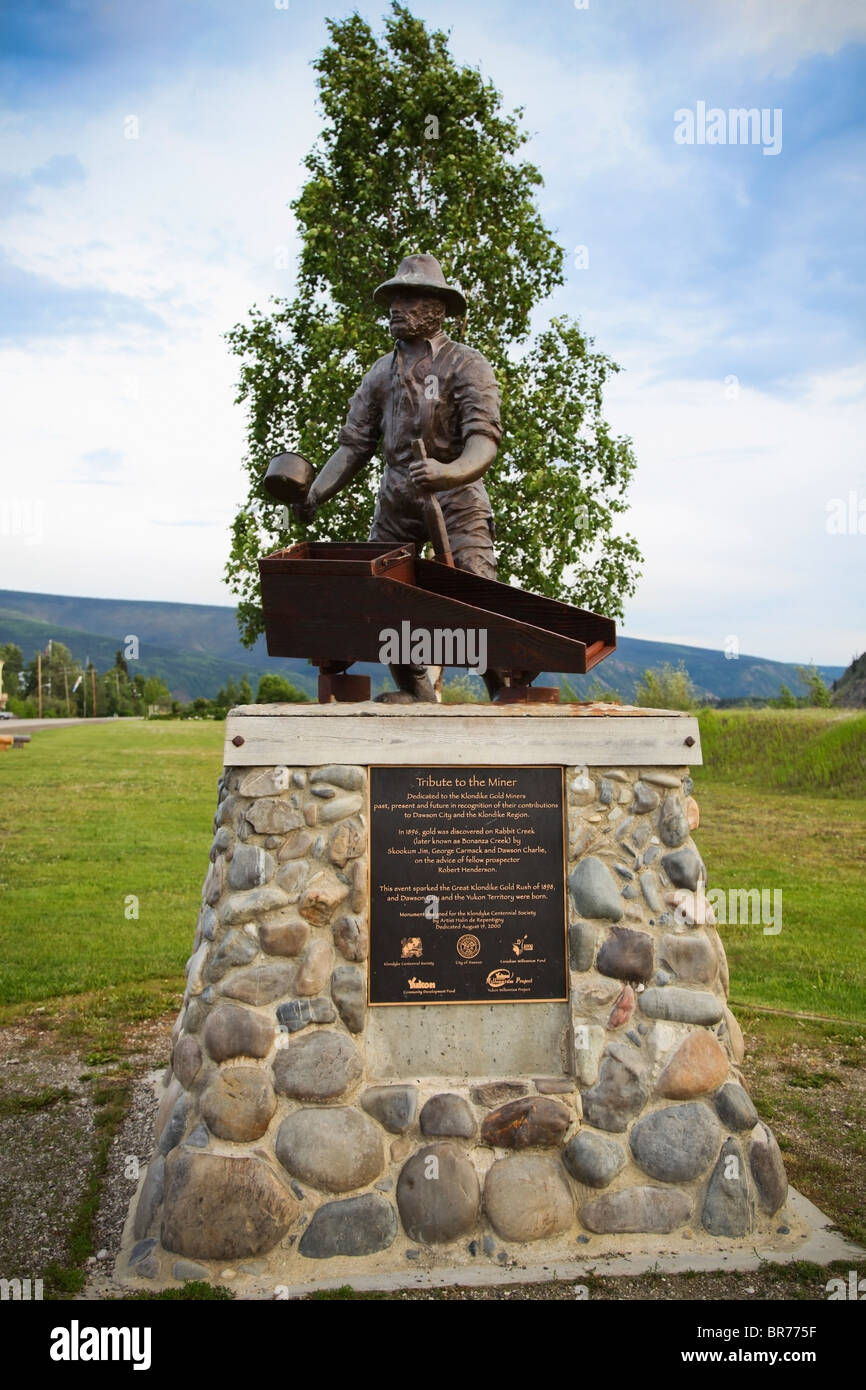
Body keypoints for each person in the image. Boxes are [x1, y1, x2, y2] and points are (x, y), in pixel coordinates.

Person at [296, 252, 504, 701]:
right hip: (397, 497)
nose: (396, 307)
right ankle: (419, 695)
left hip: (457, 496)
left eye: (408, 298)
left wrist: (448, 473)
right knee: (384, 595)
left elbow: (483, 441)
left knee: (477, 594)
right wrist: (315, 494)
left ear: (435, 307)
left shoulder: (467, 365)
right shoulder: (379, 374)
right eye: (393, 298)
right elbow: (354, 446)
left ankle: (505, 693)